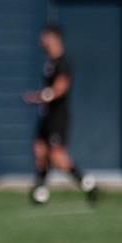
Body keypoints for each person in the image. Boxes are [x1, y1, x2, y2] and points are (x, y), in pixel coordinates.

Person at [24, 24, 94, 203]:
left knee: (57, 157)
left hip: (58, 116)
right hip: (46, 115)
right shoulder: (49, 61)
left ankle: (88, 185)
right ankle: (40, 191)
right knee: (39, 149)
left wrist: (41, 96)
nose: (42, 40)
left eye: (45, 36)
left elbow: (61, 87)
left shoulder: (63, 62)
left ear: (55, 38)